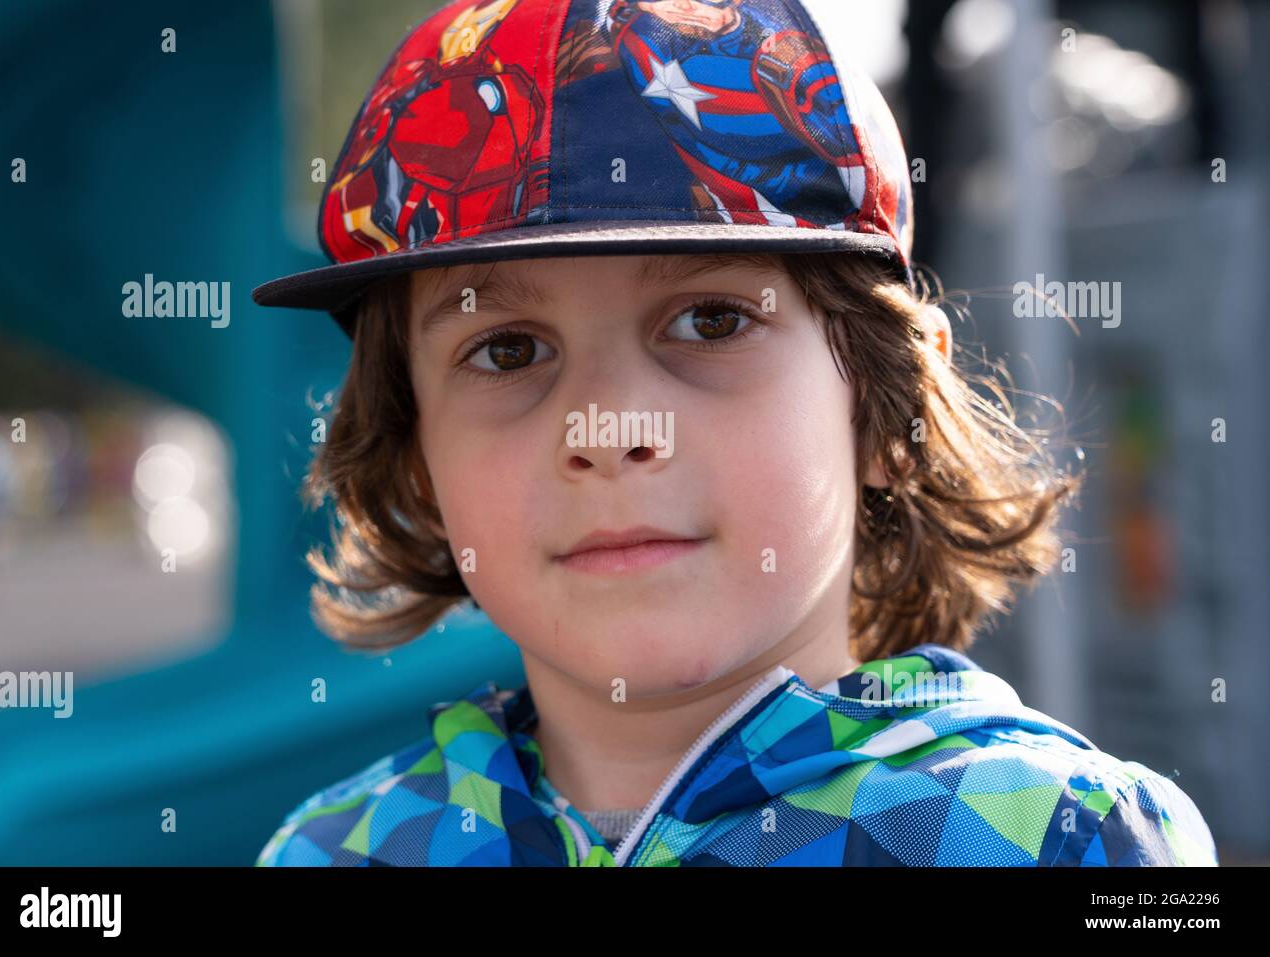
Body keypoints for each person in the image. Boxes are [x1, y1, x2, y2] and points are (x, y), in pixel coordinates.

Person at [249, 0, 1217, 866]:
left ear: (887, 409)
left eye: (711, 321)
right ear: (416, 460)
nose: (608, 429)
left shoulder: (1061, 837)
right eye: (507, 352)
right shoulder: (339, 852)